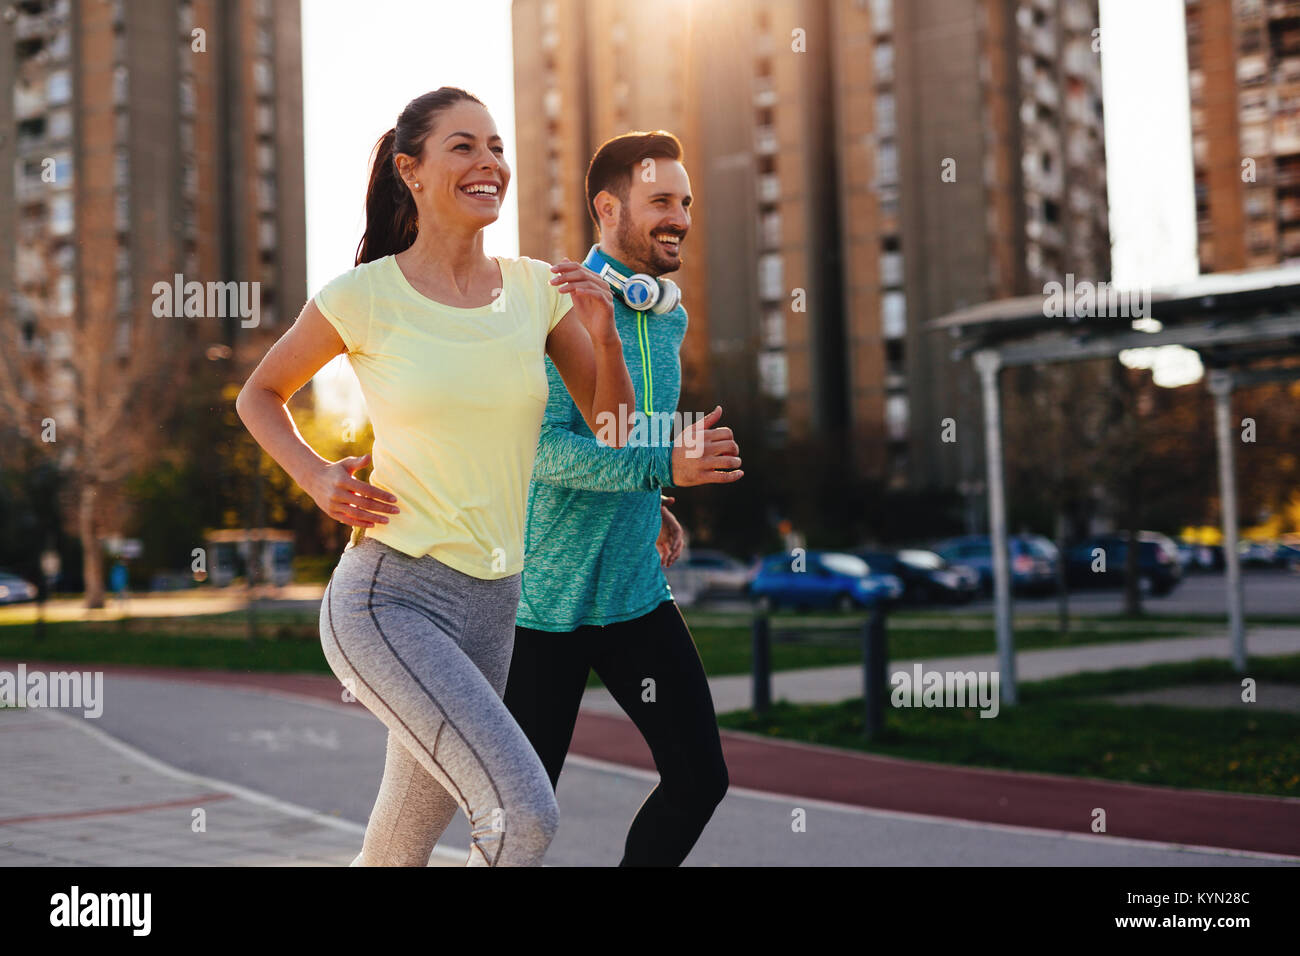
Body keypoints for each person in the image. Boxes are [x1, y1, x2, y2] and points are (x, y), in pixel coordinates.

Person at [235, 88, 635, 866]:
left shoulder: (534, 291)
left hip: (494, 605)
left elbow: (610, 429)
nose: (489, 163)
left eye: (496, 147)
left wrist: (608, 341)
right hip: (390, 599)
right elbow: (260, 394)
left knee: (397, 850)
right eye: (464, 146)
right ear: (410, 171)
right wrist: (317, 479)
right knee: (522, 817)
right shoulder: (364, 296)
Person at [503, 130, 743, 866]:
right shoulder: (553, 307)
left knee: (701, 778)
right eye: (661, 201)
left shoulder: (668, 314)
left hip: (635, 592)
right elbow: (543, 453)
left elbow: (624, 435)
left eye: (686, 202)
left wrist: (657, 497)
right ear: (609, 208)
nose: (680, 216)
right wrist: (657, 466)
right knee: (524, 813)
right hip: (545, 605)